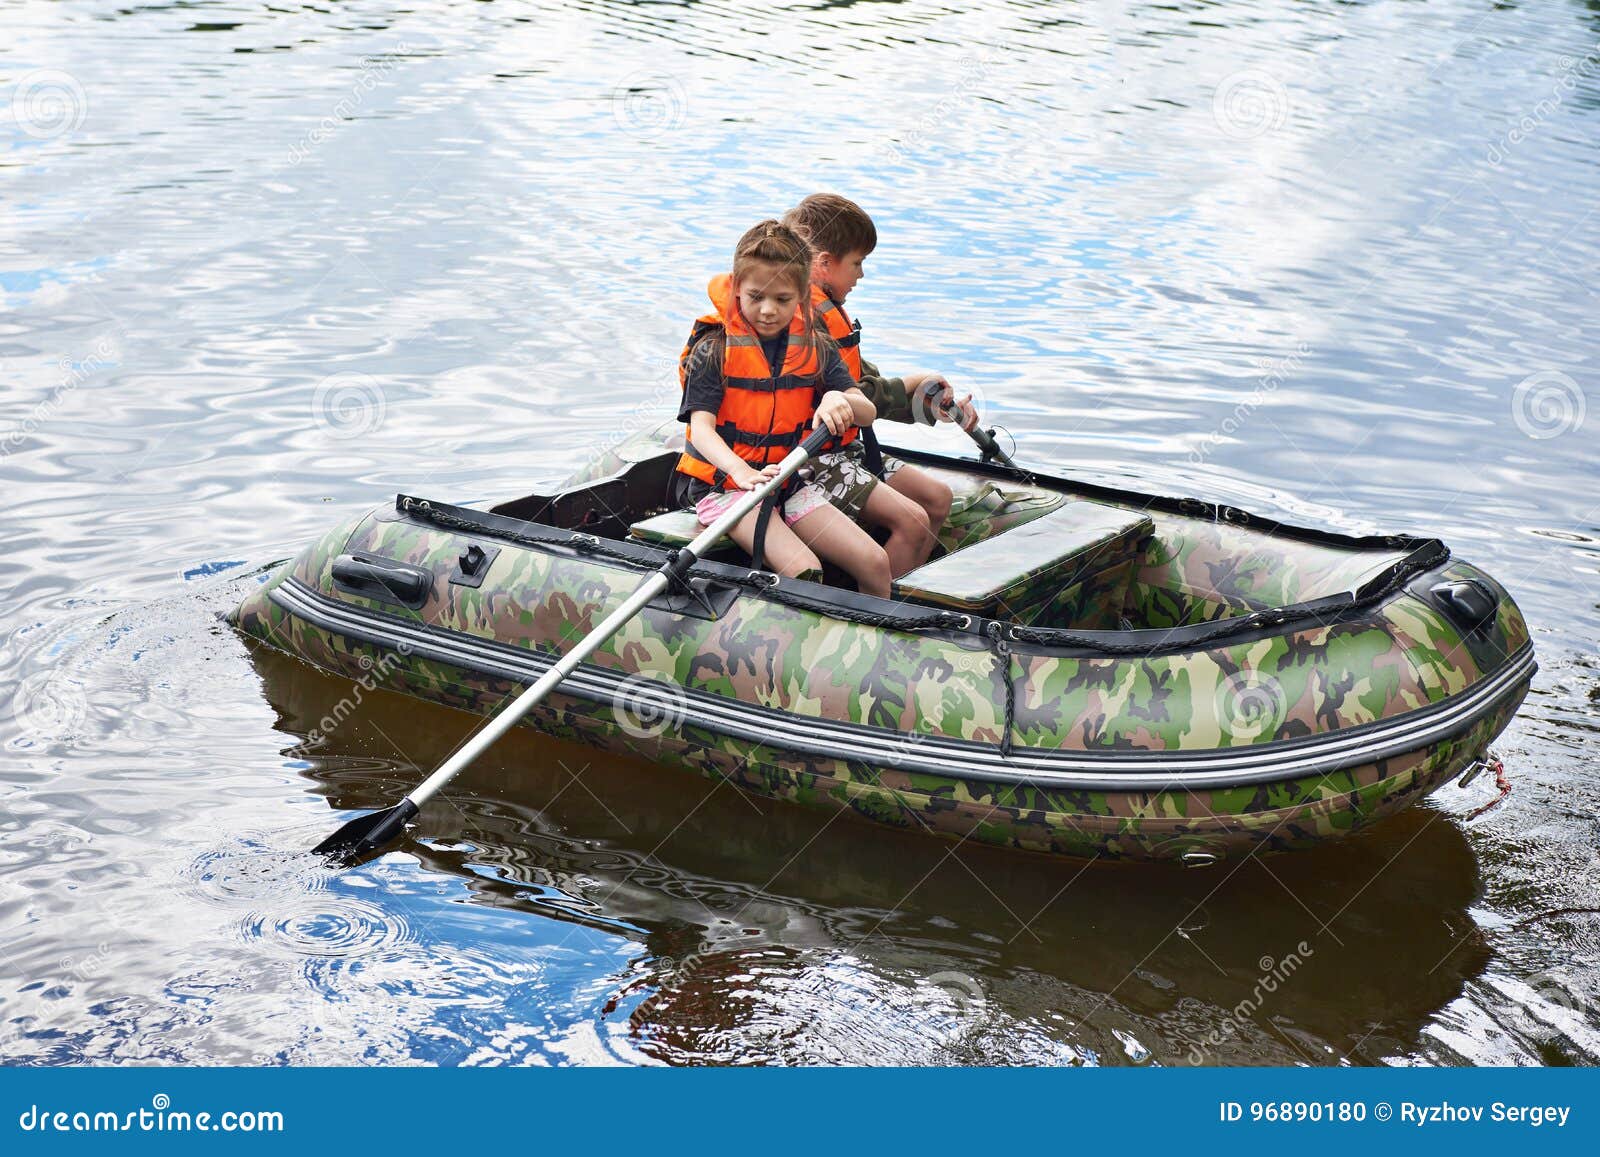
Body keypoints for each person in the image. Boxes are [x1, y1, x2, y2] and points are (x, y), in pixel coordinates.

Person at [674, 220, 895, 598]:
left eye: (782, 299)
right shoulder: (714, 349)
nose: (767, 310)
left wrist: (837, 398)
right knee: (804, 569)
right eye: (755, 296)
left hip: (787, 481)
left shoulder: (815, 345)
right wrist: (740, 471)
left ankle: (876, 646)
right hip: (725, 487)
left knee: (875, 563)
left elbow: (866, 412)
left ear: (800, 297)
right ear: (737, 289)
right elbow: (703, 430)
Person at [782, 193, 979, 570]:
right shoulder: (801, 319)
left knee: (937, 498)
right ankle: (880, 608)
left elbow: (865, 380)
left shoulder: (829, 310)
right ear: (824, 263)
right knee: (914, 518)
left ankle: (905, 585)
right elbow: (860, 396)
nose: (861, 275)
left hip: (847, 450)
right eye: (857, 263)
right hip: (813, 460)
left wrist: (927, 403)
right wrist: (910, 381)